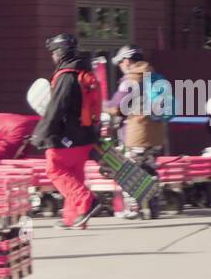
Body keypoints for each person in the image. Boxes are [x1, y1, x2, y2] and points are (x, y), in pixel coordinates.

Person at [31, 33, 101, 229]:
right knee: (74, 174)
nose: (52, 57)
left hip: (66, 135)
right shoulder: (84, 72)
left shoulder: (66, 76)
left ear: (60, 53)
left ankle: (87, 201)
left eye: (53, 52)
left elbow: (56, 108)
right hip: (85, 135)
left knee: (55, 170)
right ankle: (74, 218)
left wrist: (40, 134)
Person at [104, 45, 166, 220]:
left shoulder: (130, 80)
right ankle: (153, 207)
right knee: (149, 168)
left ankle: (134, 207)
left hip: (136, 133)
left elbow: (116, 106)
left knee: (129, 170)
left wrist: (104, 106)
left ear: (127, 61)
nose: (120, 67)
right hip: (156, 133)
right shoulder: (154, 77)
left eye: (120, 63)